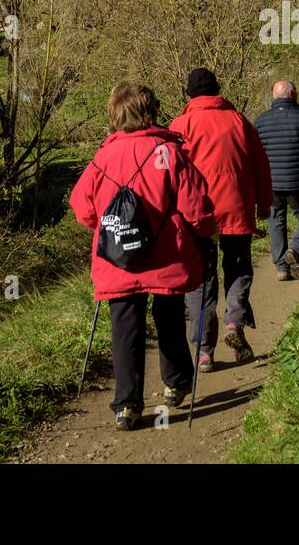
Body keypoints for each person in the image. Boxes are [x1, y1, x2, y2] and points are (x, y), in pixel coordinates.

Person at [69, 81, 216, 431]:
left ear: (115, 114)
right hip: (166, 258)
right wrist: (206, 232)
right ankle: (176, 382)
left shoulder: (102, 156)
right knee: (169, 318)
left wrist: (108, 227)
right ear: (151, 111)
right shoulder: (170, 153)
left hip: (118, 259)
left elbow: (82, 208)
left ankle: (127, 405)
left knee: (124, 327)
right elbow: (196, 208)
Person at [169, 67, 272, 370]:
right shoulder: (239, 121)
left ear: (189, 95)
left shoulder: (180, 125)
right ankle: (234, 322)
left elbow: (171, 174)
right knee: (238, 267)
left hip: (197, 215)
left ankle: (203, 352)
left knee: (201, 281)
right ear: (217, 91)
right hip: (236, 208)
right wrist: (264, 205)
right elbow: (260, 165)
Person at [254, 80, 299, 281]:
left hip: (271, 185)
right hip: (298, 182)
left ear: (274, 96)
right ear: (293, 95)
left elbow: (254, 154)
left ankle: (281, 269)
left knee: (275, 221)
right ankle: (296, 248)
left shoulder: (260, 122)